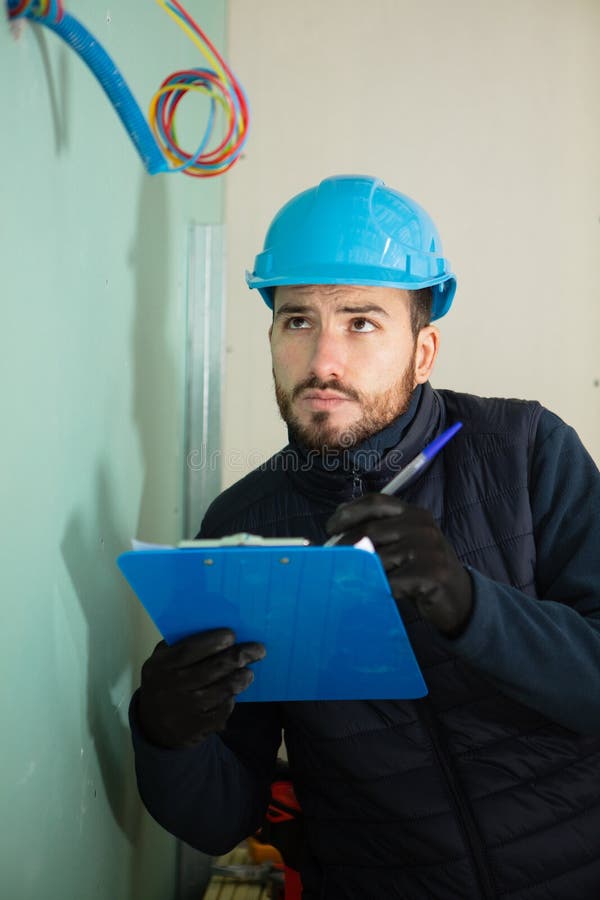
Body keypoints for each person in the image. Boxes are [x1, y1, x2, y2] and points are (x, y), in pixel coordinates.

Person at [129, 175, 600, 899]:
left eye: (361, 322)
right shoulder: (238, 526)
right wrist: (167, 738)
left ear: (424, 350)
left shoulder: (527, 449)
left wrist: (471, 604)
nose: (323, 361)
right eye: (298, 321)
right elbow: (224, 820)